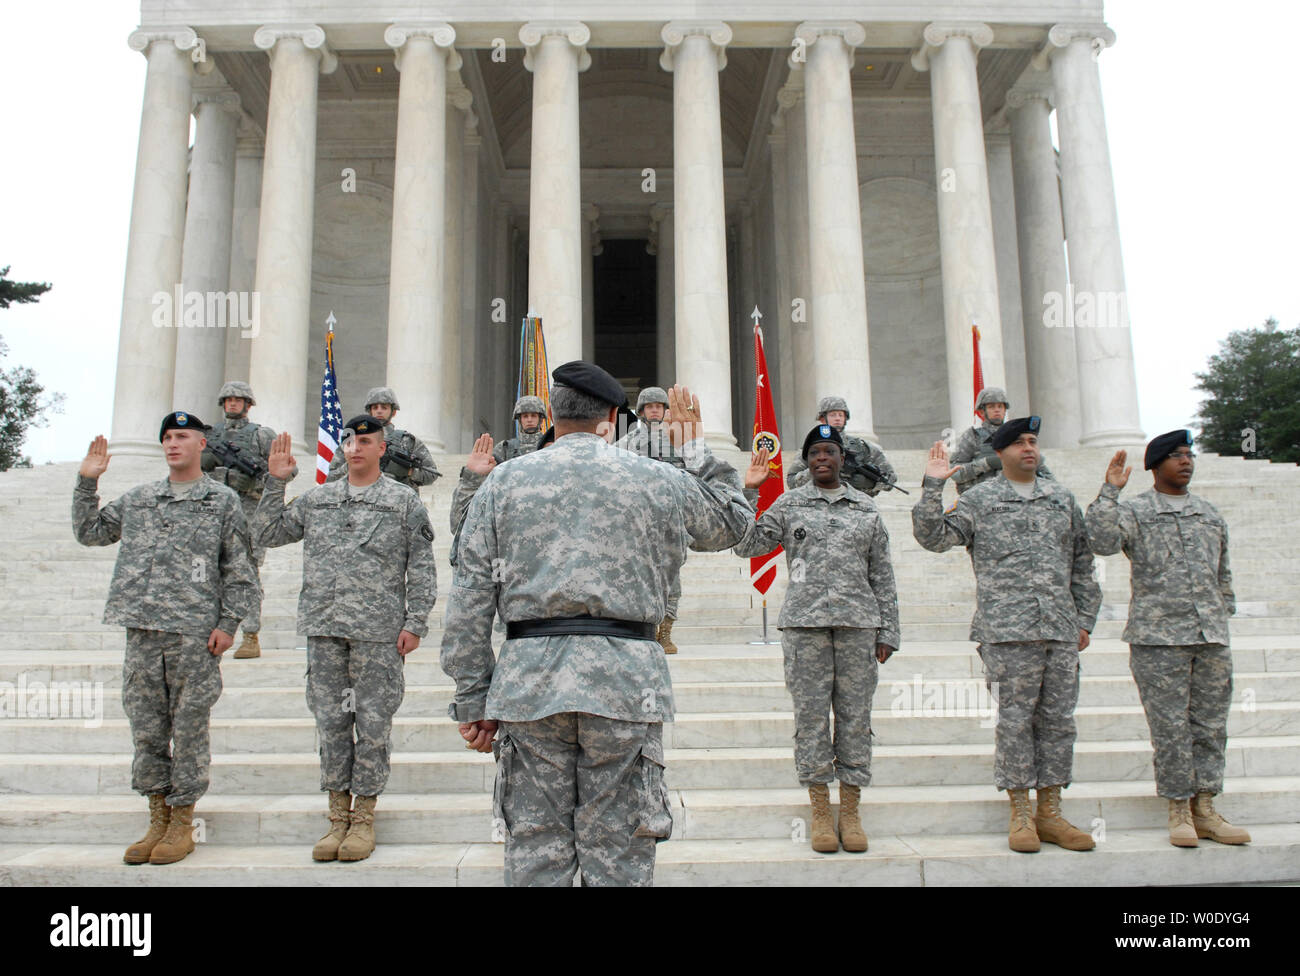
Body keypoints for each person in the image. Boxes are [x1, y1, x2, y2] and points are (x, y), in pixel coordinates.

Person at [440, 364, 764, 886]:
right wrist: (693, 448)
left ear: (551, 413)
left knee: (536, 851)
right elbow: (733, 525)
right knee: (617, 855)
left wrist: (473, 697)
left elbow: (469, 599)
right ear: (612, 418)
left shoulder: (503, 481)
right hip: (625, 684)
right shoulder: (657, 477)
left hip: (529, 686)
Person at [73, 413, 256, 865]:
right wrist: (85, 484)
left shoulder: (222, 501)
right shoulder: (139, 499)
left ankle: (182, 822)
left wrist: (229, 624)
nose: (173, 444)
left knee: (189, 729)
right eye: (168, 438)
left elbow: (239, 571)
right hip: (142, 632)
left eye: (182, 437)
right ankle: (156, 817)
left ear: (201, 443)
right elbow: (90, 533)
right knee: (147, 730)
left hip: (194, 636)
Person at [911, 416, 1100, 853]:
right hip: (1006, 632)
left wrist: (1085, 620)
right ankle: (1020, 814)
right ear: (1000, 452)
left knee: (1057, 723)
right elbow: (933, 538)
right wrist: (933, 486)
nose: (1029, 449)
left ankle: (1050, 812)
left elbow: (1083, 564)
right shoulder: (979, 500)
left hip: (1058, 629)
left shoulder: (1061, 499)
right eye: (1019, 443)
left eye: (1034, 441)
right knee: (1015, 723)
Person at [255, 415, 437, 862]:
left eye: (365, 441)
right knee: (332, 726)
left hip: (378, 634)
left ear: (382, 449)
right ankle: (337, 816)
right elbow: (264, 533)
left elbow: (423, 567)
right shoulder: (318, 500)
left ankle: (364, 818)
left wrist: (415, 622)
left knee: (373, 726)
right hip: (325, 629)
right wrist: (275, 484)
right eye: (349, 440)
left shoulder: (402, 503)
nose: (354, 447)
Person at [733, 423, 900, 854]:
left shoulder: (865, 508)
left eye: (829, 451)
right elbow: (748, 546)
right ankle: (821, 810)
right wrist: (750, 492)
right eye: (814, 453)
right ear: (806, 462)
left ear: (843, 459)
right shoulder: (789, 504)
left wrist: (889, 631)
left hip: (859, 627)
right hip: (805, 628)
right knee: (810, 719)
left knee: (855, 718)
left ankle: (852, 809)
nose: (822, 458)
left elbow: (882, 573)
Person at [1084, 430, 1248, 847]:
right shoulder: (1137, 511)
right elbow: (1100, 543)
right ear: (1155, 465)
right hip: (1158, 640)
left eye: (1190, 455)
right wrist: (1109, 492)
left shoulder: (1209, 514)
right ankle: (1179, 810)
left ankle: (1206, 807)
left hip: (1210, 637)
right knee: (1171, 728)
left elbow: (1222, 575)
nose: (1186, 461)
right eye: (1176, 456)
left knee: (1210, 726)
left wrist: (1220, 614)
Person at [200, 380, 297, 659]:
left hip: (249, 511)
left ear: (248, 405)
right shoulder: (208, 435)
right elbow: (193, 469)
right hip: (212, 510)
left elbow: (287, 471)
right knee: (209, 571)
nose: (232, 403)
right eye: (228, 399)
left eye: (238, 399)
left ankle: (250, 634)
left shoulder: (261, 436)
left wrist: (256, 479)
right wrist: (223, 477)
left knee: (248, 574)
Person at [615, 386, 686, 654]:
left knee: (672, 581)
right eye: (650, 406)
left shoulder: (676, 440)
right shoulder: (627, 442)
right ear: (641, 410)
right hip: (638, 522)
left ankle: (665, 632)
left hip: (669, 521)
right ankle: (640, 628)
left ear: (665, 410)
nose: (655, 410)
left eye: (659, 406)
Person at [326, 386, 440, 489]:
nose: (379, 411)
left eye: (384, 407)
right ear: (369, 411)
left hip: (398, 503)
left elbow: (432, 474)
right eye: (375, 408)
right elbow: (331, 478)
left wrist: (409, 471)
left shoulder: (408, 441)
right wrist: (354, 465)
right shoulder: (353, 441)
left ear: (393, 412)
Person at [949, 386, 1055, 495]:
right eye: (991, 407)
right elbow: (955, 473)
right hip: (982, 500)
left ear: (1005, 410)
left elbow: (1044, 473)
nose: (997, 410)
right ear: (981, 412)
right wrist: (987, 463)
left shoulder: (1016, 434)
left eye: (1000, 406)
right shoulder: (973, 436)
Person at [785, 396, 897, 496]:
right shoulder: (811, 449)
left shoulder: (862, 447)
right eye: (833, 415)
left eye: (841, 415)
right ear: (822, 419)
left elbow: (890, 479)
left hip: (856, 509)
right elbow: (792, 482)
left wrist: (870, 483)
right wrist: (817, 470)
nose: (838, 418)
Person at [494, 395, 548, 463]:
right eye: (525, 416)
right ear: (520, 420)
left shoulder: (550, 446)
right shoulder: (505, 449)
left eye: (533, 416)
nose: (529, 420)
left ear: (540, 419)